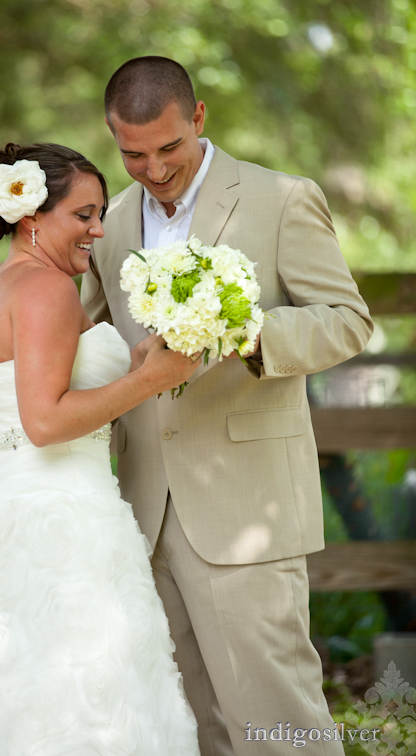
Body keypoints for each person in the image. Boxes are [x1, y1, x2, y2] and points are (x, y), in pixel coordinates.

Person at [81, 56, 374, 755]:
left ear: (199, 117)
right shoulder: (112, 221)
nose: (153, 170)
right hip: (142, 510)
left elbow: (346, 320)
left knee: (277, 723)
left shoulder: (280, 197)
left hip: (247, 508)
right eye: (132, 154)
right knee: (189, 725)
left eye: (168, 148)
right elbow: (82, 336)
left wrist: (246, 330)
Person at [0, 142, 202, 755]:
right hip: (63, 523)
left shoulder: (0, 287)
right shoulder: (45, 290)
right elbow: (43, 420)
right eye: (83, 215)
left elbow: (47, 388)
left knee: (11, 702)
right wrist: (148, 381)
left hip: (12, 512)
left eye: (99, 214)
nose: (98, 228)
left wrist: (141, 356)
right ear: (33, 215)